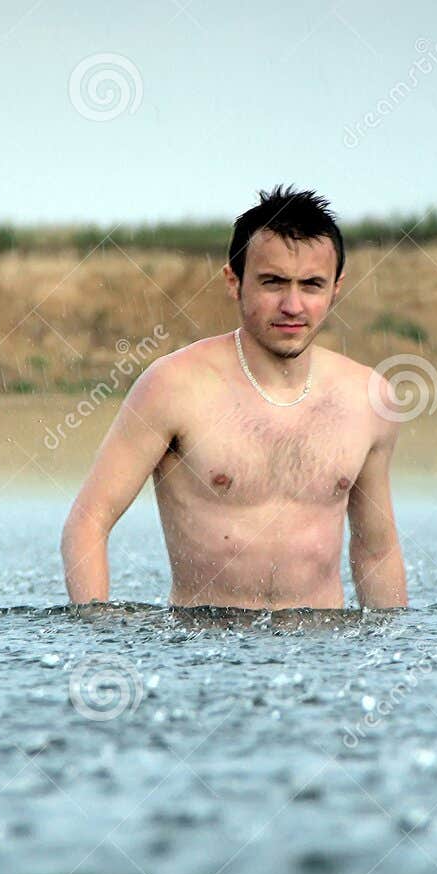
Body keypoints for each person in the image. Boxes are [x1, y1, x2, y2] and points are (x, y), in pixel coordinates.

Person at [61, 185, 408, 610]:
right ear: (234, 281)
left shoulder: (369, 398)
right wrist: (97, 631)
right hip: (204, 652)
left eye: (312, 285)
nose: (292, 305)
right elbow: (88, 520)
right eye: (273, 282)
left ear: (335, 288)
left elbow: (377, 550)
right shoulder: (173, 386)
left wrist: (395, 656)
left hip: (324, 652)